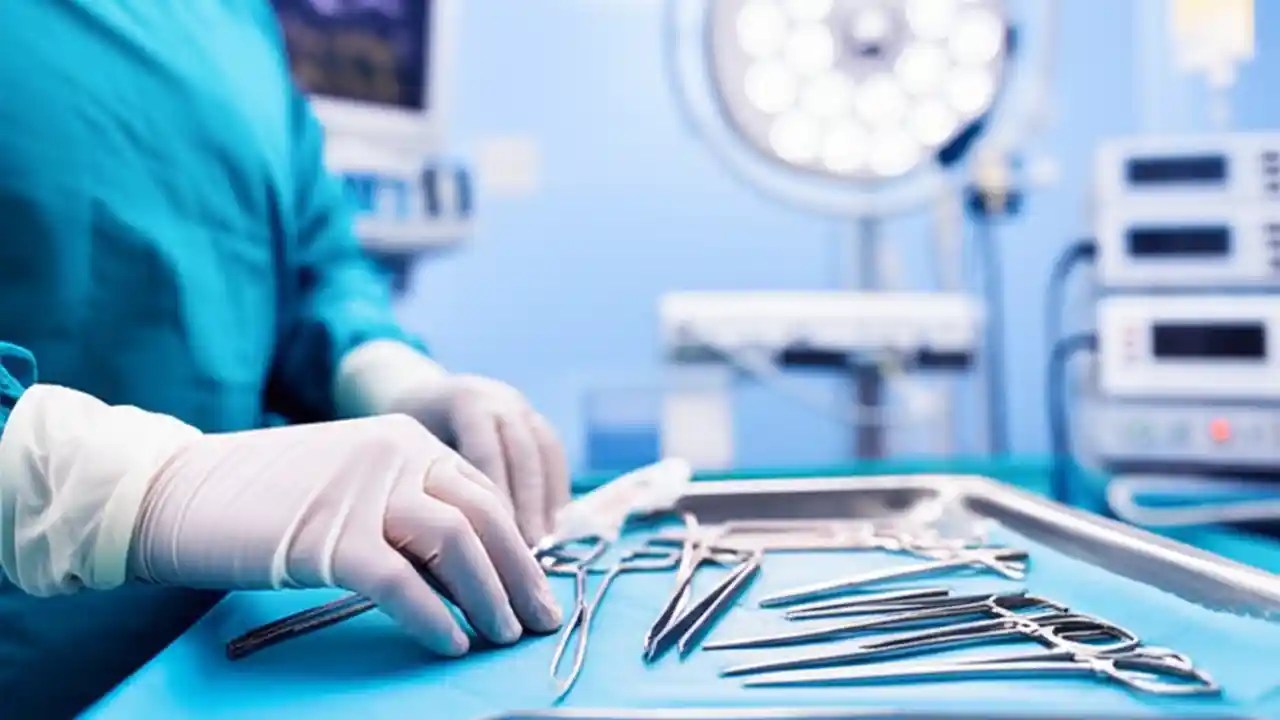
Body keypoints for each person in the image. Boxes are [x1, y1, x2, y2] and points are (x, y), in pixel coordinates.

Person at [0, 2, 567, 716]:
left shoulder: (234, 22)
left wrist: (388, 377)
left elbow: (312, 261)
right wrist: (105, 484)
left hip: (226, 655)